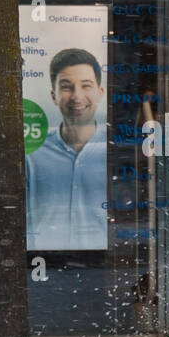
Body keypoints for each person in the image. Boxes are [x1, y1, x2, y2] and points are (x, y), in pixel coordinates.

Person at [26, 48, 108, 250]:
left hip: (104, 267)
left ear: (100, 93)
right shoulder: (31, 153)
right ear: (54, 96)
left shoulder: (115, 149)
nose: (76, 96)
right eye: (66, 87)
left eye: (86, 85)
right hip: (43, 265)